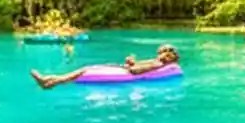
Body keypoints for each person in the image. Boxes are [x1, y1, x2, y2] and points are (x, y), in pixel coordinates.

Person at [31, 44, 180, 90]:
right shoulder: (156, 62)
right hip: (123, 69)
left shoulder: (158, 64)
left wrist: (130, 66)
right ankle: (49, 82)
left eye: (161, 52)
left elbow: (135, 71)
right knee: (84, 69)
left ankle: (49, 82)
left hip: (124, 73)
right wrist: (131, 62)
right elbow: (137, 65)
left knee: (83, 71)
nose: (159, 54)